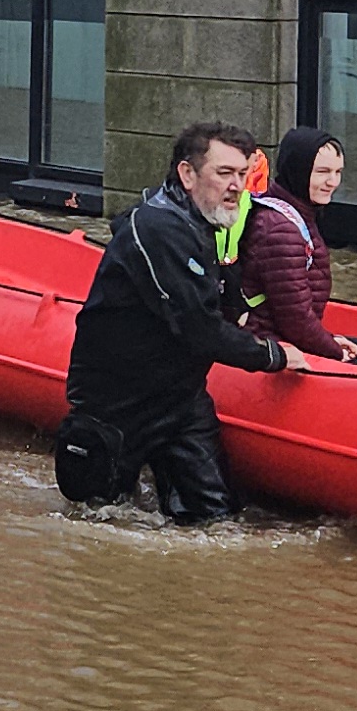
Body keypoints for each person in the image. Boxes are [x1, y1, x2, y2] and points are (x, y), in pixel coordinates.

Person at [57, 124, 296, 524]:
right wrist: (271, 355)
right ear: (187, 174)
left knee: (216, 518)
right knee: (96, 516)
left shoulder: (204, 223)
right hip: (118, 403)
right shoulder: (158, 228)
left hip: (180, 399)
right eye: (224, 174)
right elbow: (197, 326)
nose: (236, 185)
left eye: (242, 174)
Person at [236, 124, 357, 366]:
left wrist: (330, 340)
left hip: (282, 338)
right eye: (322, 172)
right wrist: (334, 350)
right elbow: (295, 319)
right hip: (272, 348)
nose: (333, 182)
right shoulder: (280, 229)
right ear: (298, 169)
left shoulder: (291, 210)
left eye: (338, 172)